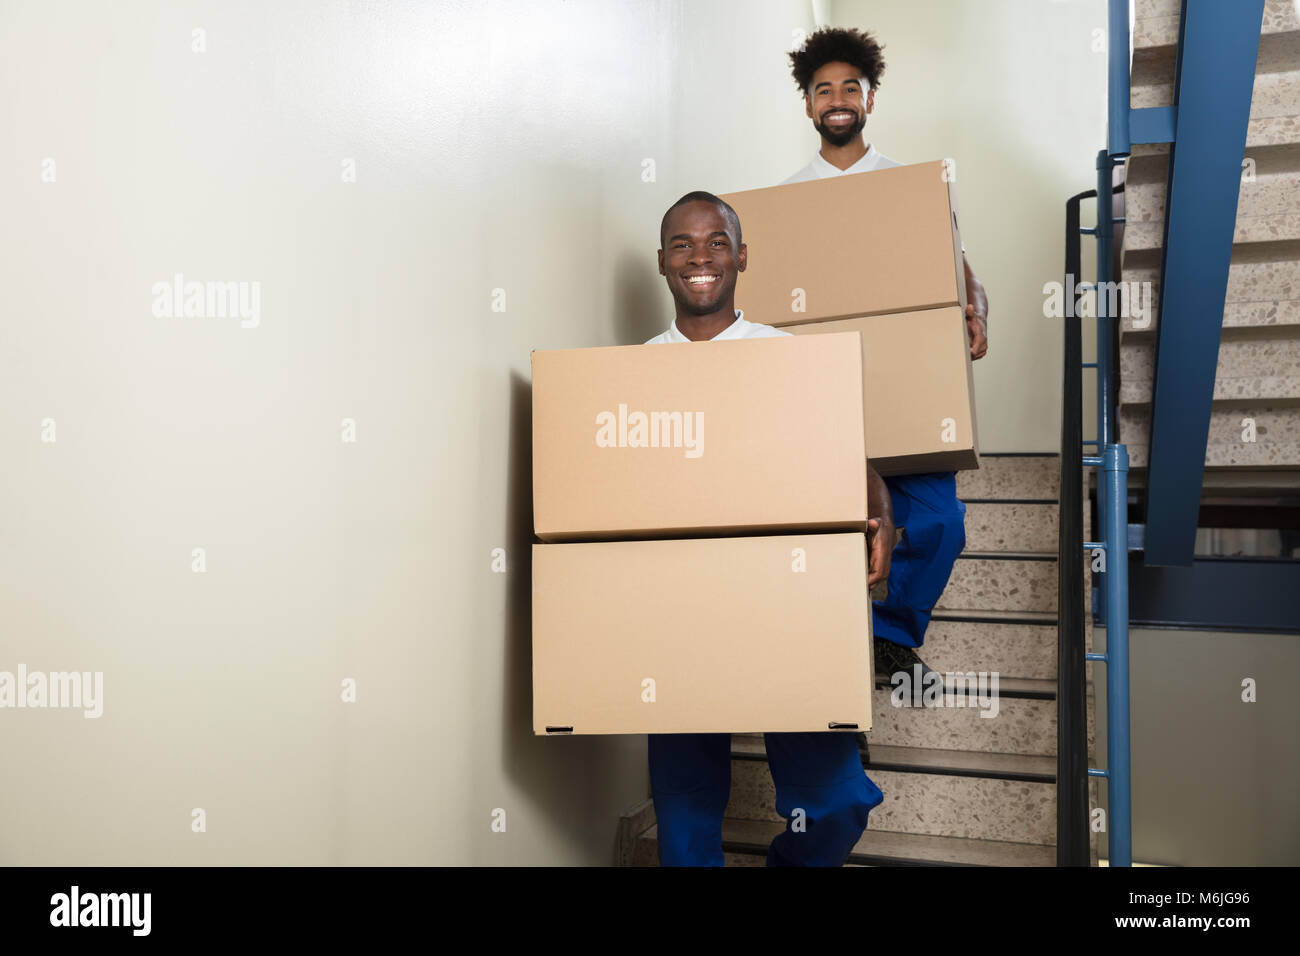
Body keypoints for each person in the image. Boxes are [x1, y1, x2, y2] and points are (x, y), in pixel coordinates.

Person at [644, 191, 890, 866]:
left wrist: (883, 512)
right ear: (661, 260)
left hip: (786, 605)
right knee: (685, 824)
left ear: (742, 255)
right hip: (680, 612)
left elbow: (848, 454)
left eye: (716, 241)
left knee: (836, 800)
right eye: (683, 244)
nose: (700, 258)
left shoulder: (786, 356)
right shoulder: (633, 372)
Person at [782, 27, 988, 690]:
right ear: (808, 106)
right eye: (824, 91)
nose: (837, 100)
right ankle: (833, 675)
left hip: (912, 400)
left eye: (850, 88)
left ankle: (888, 636)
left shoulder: (911, 187)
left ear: (870, 98)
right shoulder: (786, 202)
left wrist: (975, 304)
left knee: (940, 523)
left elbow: (953, 269)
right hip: (828, 403)